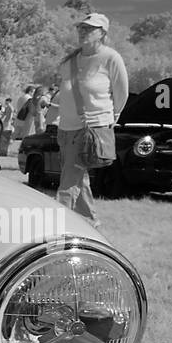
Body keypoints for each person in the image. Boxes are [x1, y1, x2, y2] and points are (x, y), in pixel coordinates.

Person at [54, 12, 128, 225]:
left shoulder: (111, 58)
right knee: (78, 176)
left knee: (69, 178)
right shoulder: (70, 60)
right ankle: (89, 220)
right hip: (65, 127)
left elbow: (121, 92)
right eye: (81, 28)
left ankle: (57, 223)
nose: (83, 32)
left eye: (89, 28)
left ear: (102, 33)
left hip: (89, 128)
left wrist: (112, 117)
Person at [11, 84, 36, 152]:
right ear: (30, 91)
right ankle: (23, 150)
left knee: (15, 134)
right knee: (25, 136)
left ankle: (7, 147)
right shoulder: (29, 99)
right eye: (33, 91)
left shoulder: (21, 97)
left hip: (18, 118)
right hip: (24, 120)